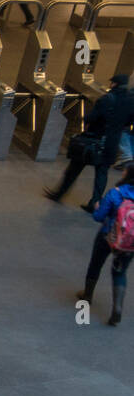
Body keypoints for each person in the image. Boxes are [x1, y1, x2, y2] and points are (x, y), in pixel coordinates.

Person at [46, 75, 134, 211]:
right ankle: (94, 203)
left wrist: (85, 119)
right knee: (102, 174)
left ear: (115, 84)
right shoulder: (130, 102)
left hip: (93, 140)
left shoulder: (107, 99)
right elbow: (129, 122)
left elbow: (92, 117)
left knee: (74, 169)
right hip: (111, 142)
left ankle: (59, 194)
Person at [78, 164, 134, 326]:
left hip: (107, 235)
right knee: (119, 272)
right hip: (129, 243)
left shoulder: (115, 193)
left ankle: (87, 295)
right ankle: (117, 308)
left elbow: (98, 216)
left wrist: (97, 207)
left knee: (96, 263)